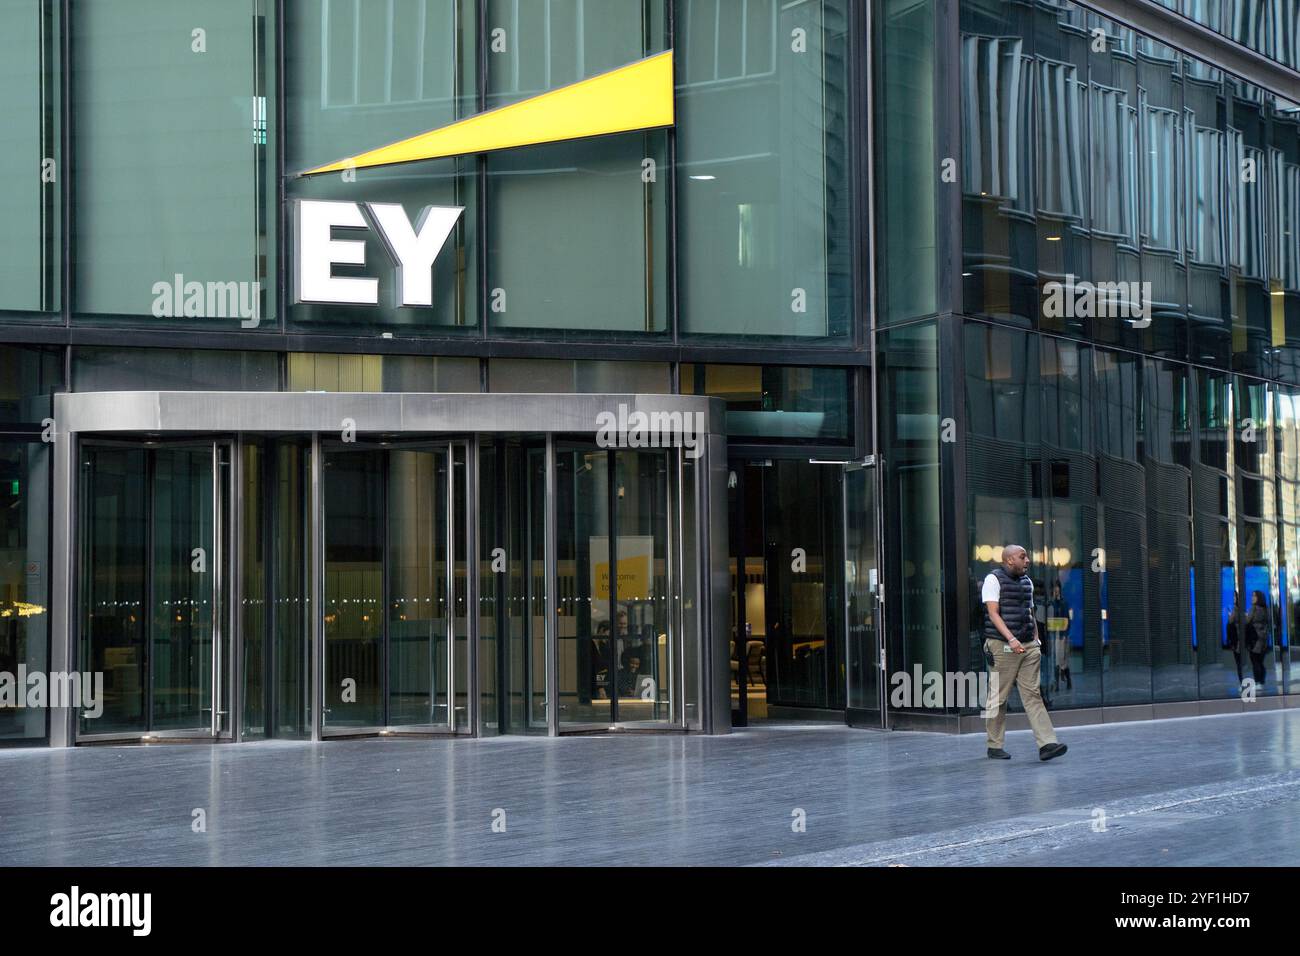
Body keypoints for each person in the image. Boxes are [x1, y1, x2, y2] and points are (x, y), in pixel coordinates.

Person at [982, 545, 1067, 762]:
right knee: (998, 698)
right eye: (1023, 557)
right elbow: (993, 614)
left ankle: (1047, 744)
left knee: (1033, 695)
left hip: (1028, 645)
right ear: (1009, 560)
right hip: (1003, 645)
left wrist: (1036, 641)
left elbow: (1031, 612)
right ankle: (994, 745)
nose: (1028, 560)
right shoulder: (993, 580)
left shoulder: (1027, 582)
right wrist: (1011, 639)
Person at [1049, 581, 1072, 691]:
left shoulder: (1063, 603)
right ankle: (1058, 684)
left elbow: (1067, 619)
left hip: (1062, 635)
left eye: (1057, 589)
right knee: (1056, 660)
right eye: (1054, 589)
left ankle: (1068, 681)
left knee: (1063, 661)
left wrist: (1065, 634)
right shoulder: (1050, 603)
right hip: (1054, 634)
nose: (1056, 591)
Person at [1246, 590, 1271, 689]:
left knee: (1255, 661)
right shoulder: (1266, 609)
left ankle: (1258, 682)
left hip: (1255, 638)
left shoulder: (1254, 609)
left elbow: (1248, 621)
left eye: (1254, 596)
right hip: (1264, 638)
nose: (1252, 598)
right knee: (1260, 661)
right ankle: (1262, 681)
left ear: (1258, 598)